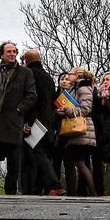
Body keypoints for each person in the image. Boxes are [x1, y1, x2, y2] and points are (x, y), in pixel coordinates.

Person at [0, 42, 36, 194]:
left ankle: (10, 193)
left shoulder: (25, 72)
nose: (12, 54)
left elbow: (32, 95)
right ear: (2, 55)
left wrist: (19, 109)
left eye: (14, 51)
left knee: (13, 162)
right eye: (9, 52)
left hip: (13, 122)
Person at [20, 49, 67, 196]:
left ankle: (55, 185)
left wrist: (28, 121)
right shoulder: (48, 77)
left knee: (38, 153)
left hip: (36, 121)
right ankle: (39, 188)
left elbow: (33, 100)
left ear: (26, 62)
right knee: (42, 154)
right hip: (49, 121)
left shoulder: (29, 74)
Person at [56, 67, 98, 196]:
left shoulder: (83, 88)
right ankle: (76, 193)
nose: (68, 76)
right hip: (77, 132)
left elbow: (85, 110)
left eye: (70, 74)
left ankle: (92, 192)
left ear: (77, 75)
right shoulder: (76, 88)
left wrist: (67, 110)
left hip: (82, 130)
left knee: (79, 162)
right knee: (75, 161)